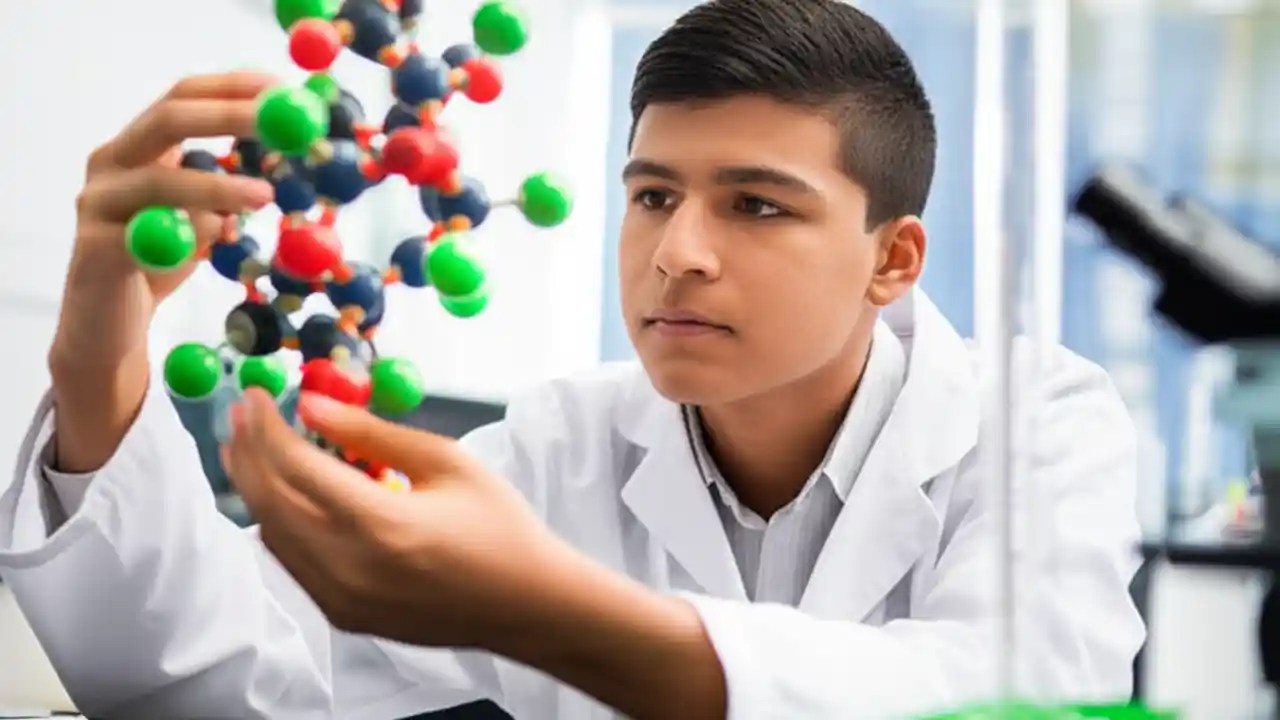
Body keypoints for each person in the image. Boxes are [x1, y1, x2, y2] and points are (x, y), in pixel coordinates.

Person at [0, 0, 1146, 718]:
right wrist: (98, 359)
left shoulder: (1036, 418)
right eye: (652, 196)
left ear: (891, 259)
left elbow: (1022, 697)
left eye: (755, 205)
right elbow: (209, 684)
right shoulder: (558, 447)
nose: (677, 255)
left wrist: (542, 613)